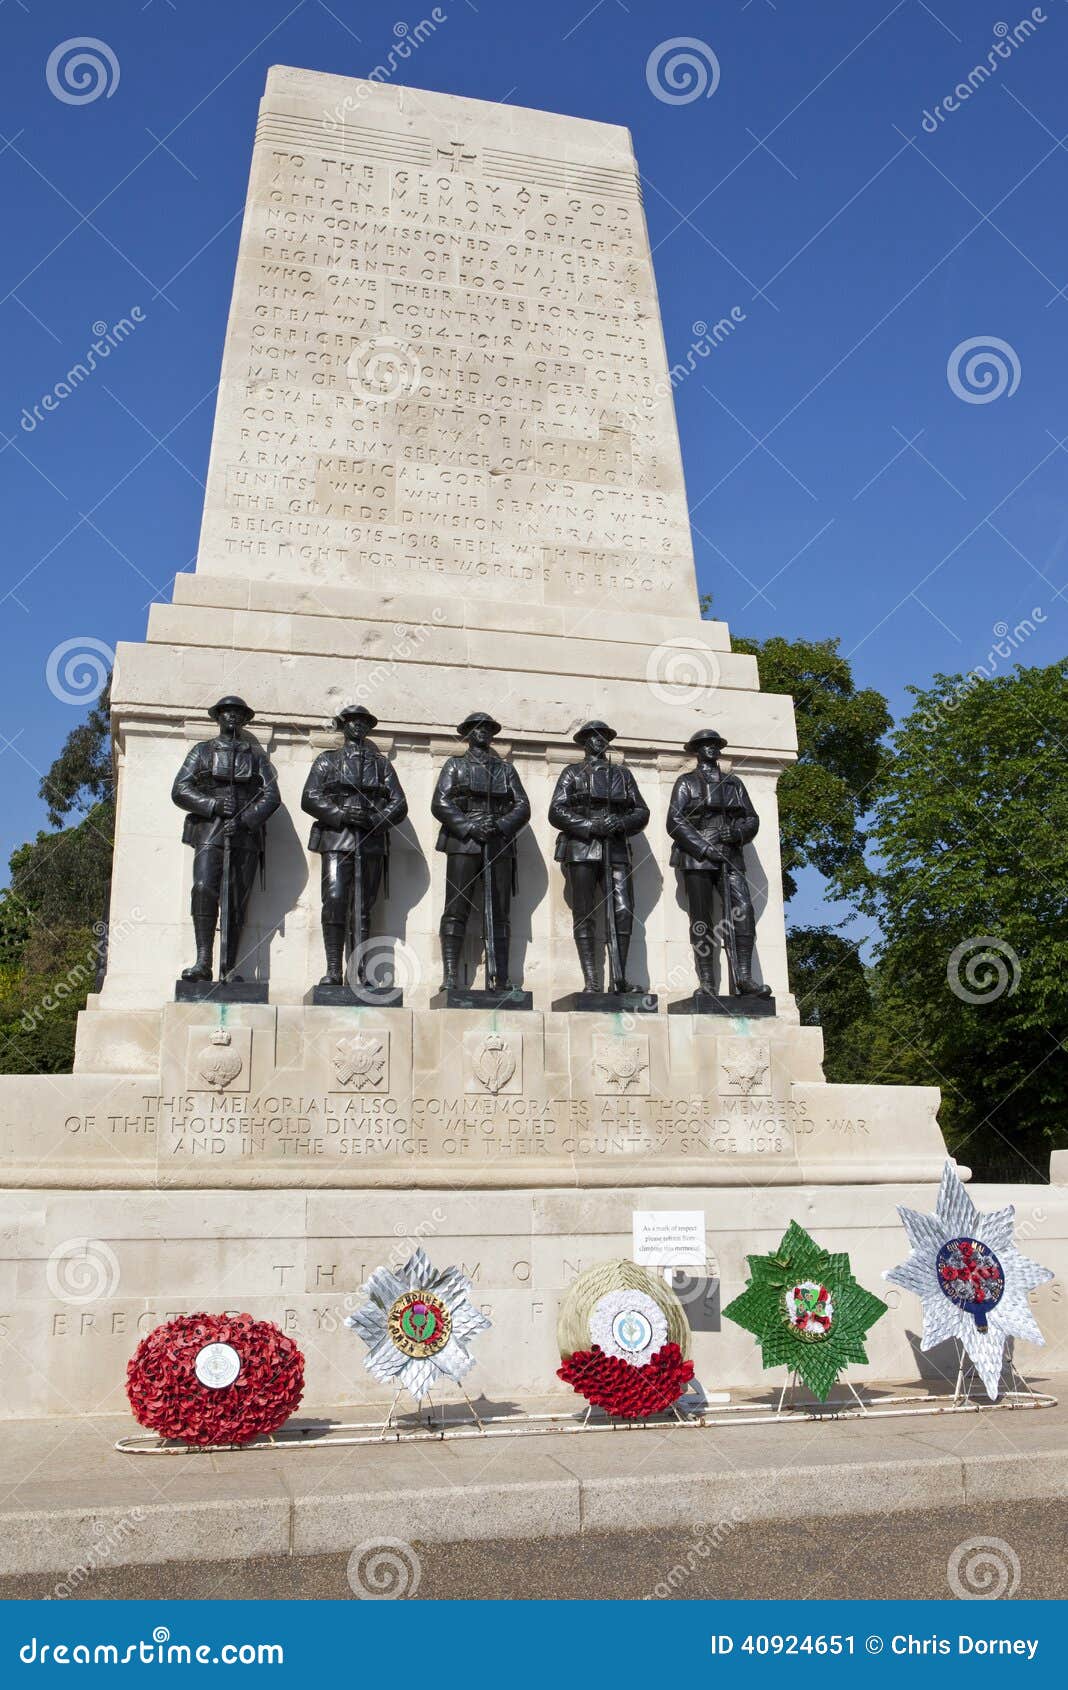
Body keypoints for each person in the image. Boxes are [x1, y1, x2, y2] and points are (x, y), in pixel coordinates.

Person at [171, 696, 280, 982]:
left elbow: (271, 796)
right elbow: (180, 790)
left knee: (236, 900)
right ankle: (203, 959)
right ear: (218, 717)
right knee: (204, 889)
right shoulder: (202, 751)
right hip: (209, 831)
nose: (232, 718)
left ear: (244, 720)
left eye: (237, 714)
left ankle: (228, 966)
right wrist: (213, 805)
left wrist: (245, 819)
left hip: (243, 834)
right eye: (226, 713)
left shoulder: (257, 757)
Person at [301, 704, 408, 987]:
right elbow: (310, 797)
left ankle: (361, 970)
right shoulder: (327, 760)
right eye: (352, 721)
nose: (358, 726)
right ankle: (334, 969)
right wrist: (341, 814)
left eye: (363, 722)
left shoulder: (381, 764)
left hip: (370, 840)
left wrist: (374, 819)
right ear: (343, 725)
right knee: (335, 901)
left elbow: (399, 803)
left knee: (363, 907)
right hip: (337, 839)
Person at [666, 728, 771, 998]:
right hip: (698, 857)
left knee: (743, 910)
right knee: (701, 919)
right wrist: (703, 848)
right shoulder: (686, 782)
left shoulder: (734, 784)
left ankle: (745, 978)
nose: (710, 748)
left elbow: (752, 818)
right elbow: (675, 821)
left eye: (714, 744)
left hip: (730, 853)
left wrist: (737, 833)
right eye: (704, 745)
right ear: (696, 750)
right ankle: (708, 983)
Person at [431, 711, 530, 992]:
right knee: (455, 909)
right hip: (463, 842)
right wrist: (469, 826)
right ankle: (450, 975)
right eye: (477, 728)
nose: (482, 732)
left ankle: (501, 977)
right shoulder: (455, 765)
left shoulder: (505, 769)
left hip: (498, 842)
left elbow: (522, 806)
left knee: (499, 912)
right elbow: (441, 802)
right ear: (467, 733)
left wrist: (499, 824)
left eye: (487, 728)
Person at [548, 720, 649, 994]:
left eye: (603, 736)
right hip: (581, 848)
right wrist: (590, 826)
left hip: (615, 848)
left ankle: (620, 978)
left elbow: (641, 811)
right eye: (593, 737)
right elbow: (556, 811)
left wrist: (622, 823)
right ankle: (592, 979)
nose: (599, 741)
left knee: (623, 910)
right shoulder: (572, 773)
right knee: (584, 912)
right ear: (584, 742)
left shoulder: (623, 775)